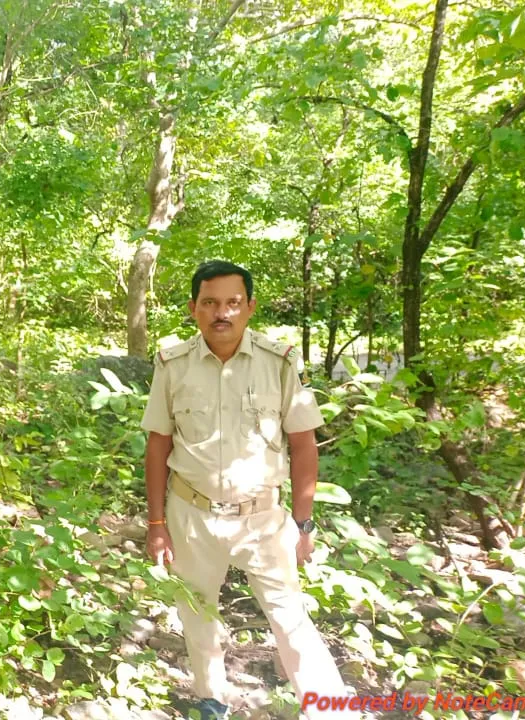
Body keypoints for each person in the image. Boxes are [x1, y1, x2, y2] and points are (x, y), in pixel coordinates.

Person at [141, 260, 352, 720]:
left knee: (290, 618)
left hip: (263, 518)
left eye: (233, 303)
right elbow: (157, 445)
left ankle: (330, 709)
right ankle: (210, 699)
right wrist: (156, 524)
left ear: (250, 307)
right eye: (211, 303)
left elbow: (303, 443)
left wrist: (304, 522)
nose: (223, 313)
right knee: (198, 615)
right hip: (191, 512)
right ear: (194, 309)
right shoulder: (172, 365)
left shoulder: (279, 362)